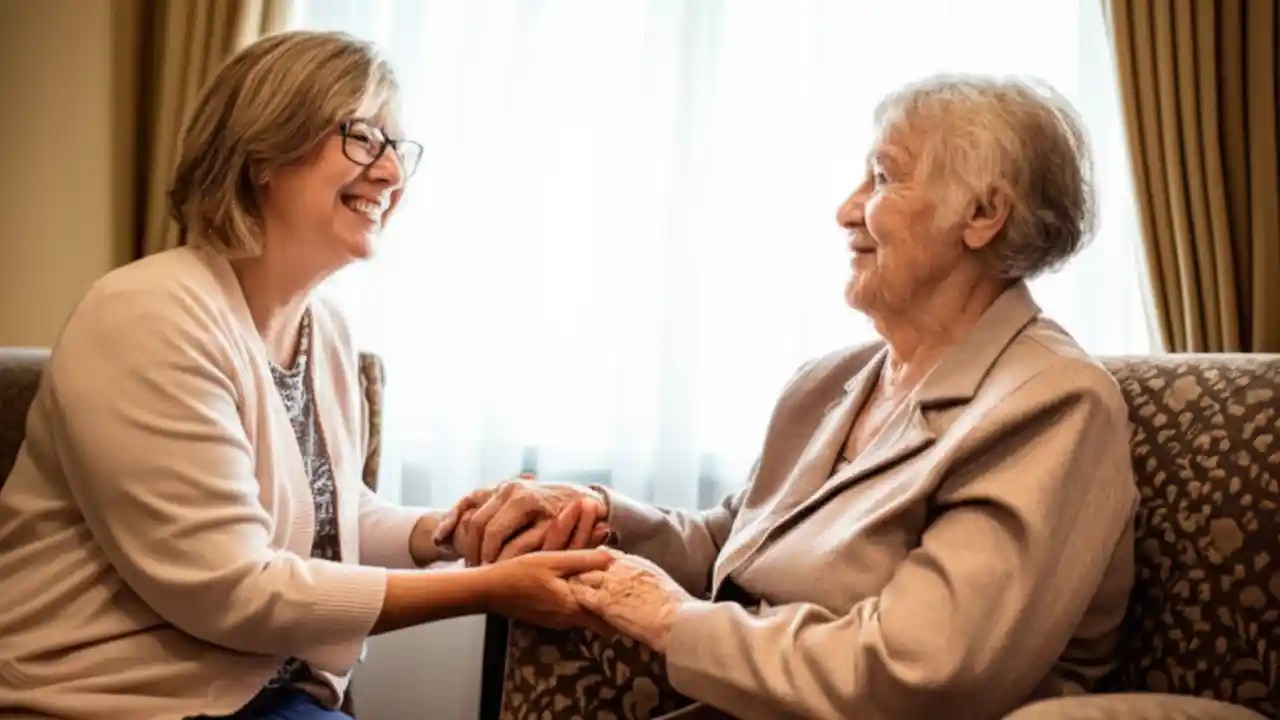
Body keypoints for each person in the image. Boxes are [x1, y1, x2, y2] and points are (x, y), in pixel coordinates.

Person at [435, 75, 1141, 720]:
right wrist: (594, 515)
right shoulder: (830, 382)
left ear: (984, 214)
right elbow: (732, 547)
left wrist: (672, 621)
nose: (846, 210)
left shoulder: (1050, 404)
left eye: (883, 177)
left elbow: (925, 670)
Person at [0, 31, 609, 719]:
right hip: (108, 700)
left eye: (396, 148)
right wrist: (489, 587)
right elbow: (230, 588)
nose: (389, 175)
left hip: (265, 696)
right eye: (362, 137)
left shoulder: (325, 330)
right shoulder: (146, 316)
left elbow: (332, 510)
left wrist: (448, 531)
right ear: (263, 151)